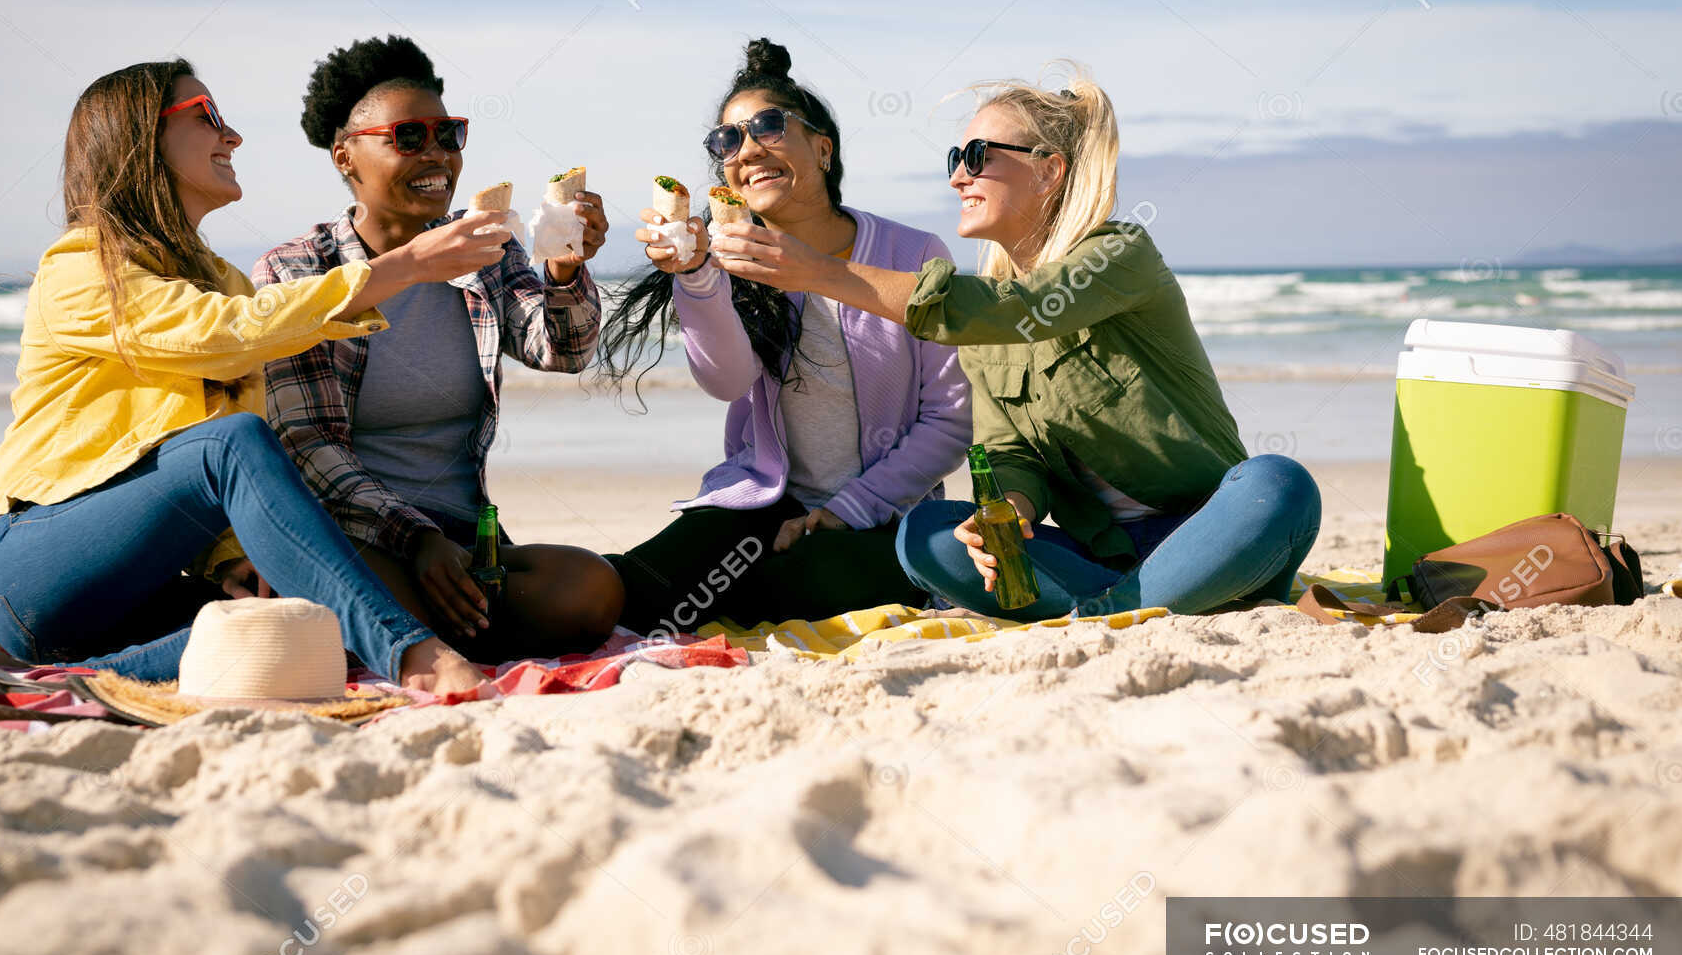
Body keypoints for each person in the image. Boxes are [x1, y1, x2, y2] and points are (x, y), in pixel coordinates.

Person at [711, 65, 1322, 619]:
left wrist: (821, 271)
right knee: (926, 533)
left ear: (1049, 169)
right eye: (955, 156)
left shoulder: (1118, 253)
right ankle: (1135, 602)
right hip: (1098, 553)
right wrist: (1008, 512)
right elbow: (1010, 455)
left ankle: (1122, 606)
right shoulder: (982, 323)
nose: (957, 177)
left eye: (977, 156)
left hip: (1209, 527)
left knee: (1278, 483)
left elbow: (1024, 311)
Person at [0, 59, 500, 692]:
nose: (233, 137)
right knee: (236, 444)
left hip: (142, 586)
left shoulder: (222, 279)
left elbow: (228, 381)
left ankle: (54, 679)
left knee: (298, 623)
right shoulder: (83, 265)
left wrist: (234, 559)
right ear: (142, 138)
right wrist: (402, 268)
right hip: (35, 568)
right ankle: (417, 658)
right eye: (207, 117)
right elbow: (223, 338)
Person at [254, 36, 622, 656]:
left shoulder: (484, 246)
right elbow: (307, 443)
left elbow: (563, 350)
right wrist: (416, 538)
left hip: (466, 541)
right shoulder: (298, 271)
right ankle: (409, 626)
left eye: (448, 135)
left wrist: (563, 265)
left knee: (591, 588)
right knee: (355, 593)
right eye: (409, 137)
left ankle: (402, 633)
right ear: (346, 156)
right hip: (357, 538)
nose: (437, 155)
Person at [599, 39, 971, 635]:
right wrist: (695, 279)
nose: (746, 150)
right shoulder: (725, 263)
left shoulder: (913, 254)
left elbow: (950, 420)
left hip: (884, 516)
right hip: (761, 504)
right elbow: (725, 381)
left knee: (794, 582)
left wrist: (845, 511)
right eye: (727, 140)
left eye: (768, 127)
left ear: (822, 148)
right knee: (639, 589)